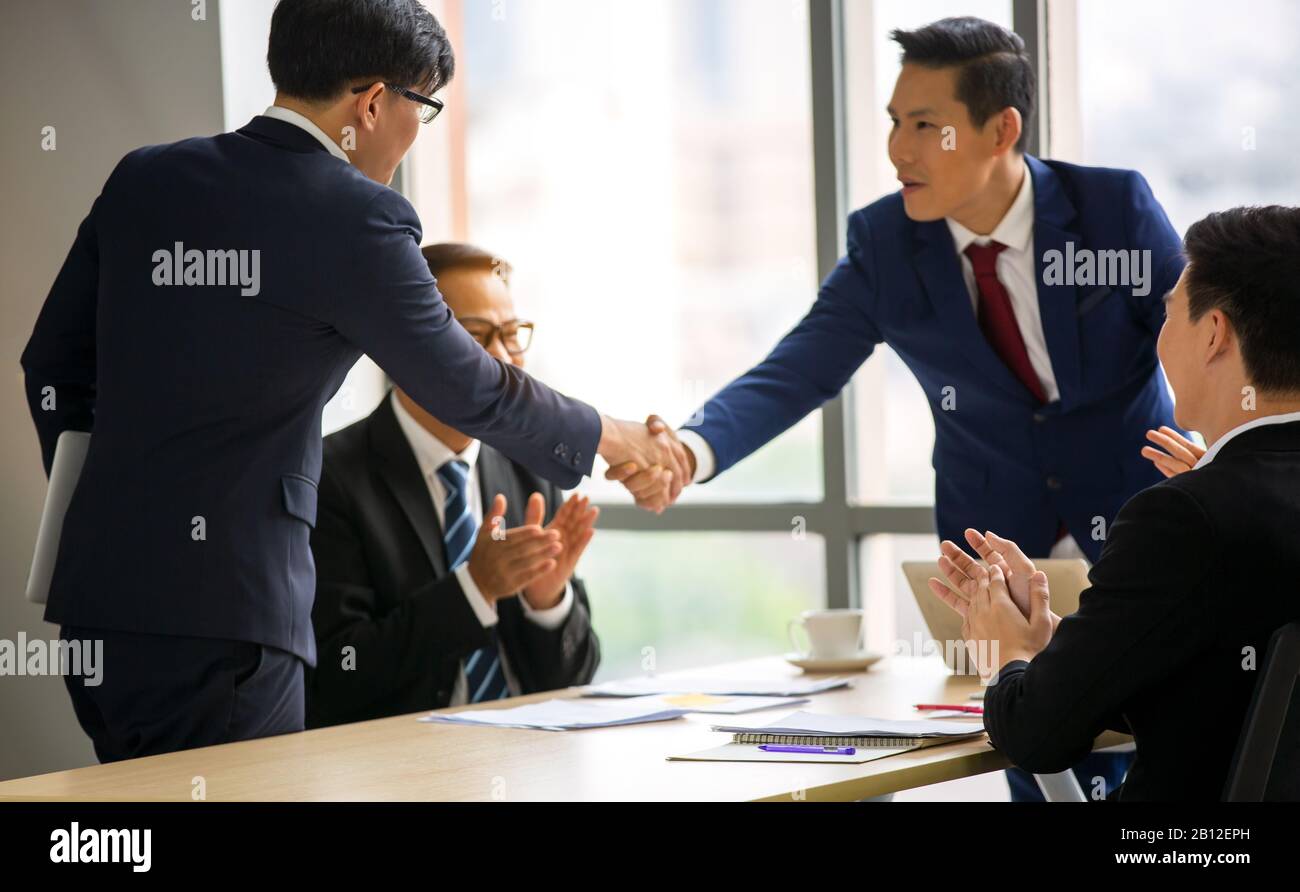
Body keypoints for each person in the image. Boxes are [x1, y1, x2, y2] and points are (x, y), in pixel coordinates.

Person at [20, 0, 684, 763]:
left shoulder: (147, 177)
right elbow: (469, 386)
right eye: (421, 110)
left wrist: (106, 502)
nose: (411, 138)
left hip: (98, 608)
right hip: (231, 623)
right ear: (373, 103)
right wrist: (614, 435)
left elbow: (52, 365)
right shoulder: (356, 216)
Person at [631, 15, 1181, 799]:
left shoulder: (1112, 212)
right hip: (996, 548)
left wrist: (1231, 463)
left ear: (1001, 130)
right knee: (1034, 754)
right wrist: (690, 449)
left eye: (927, 126)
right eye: (894, 122)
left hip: (1138, 526)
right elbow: (798, 369)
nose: (898, 149)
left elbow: (1209, 341)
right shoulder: (887, 244)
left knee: (1165, 759)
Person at [930, 206, 1300, 800]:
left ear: (1214, 334)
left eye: (1169, 313)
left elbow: (1035, 736)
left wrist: (1005, 656)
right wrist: (1062, 649)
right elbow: (1229, 692)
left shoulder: (1185, 516)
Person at [306, 245, 601, 727]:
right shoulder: (329, 477)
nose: (502, 359)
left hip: (526, 764)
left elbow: (574, 681)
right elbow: (338, 677)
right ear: (401, 350)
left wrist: (546, 602)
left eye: (511, 335)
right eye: (475, 337)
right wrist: (475, 588)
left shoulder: (533, 469)